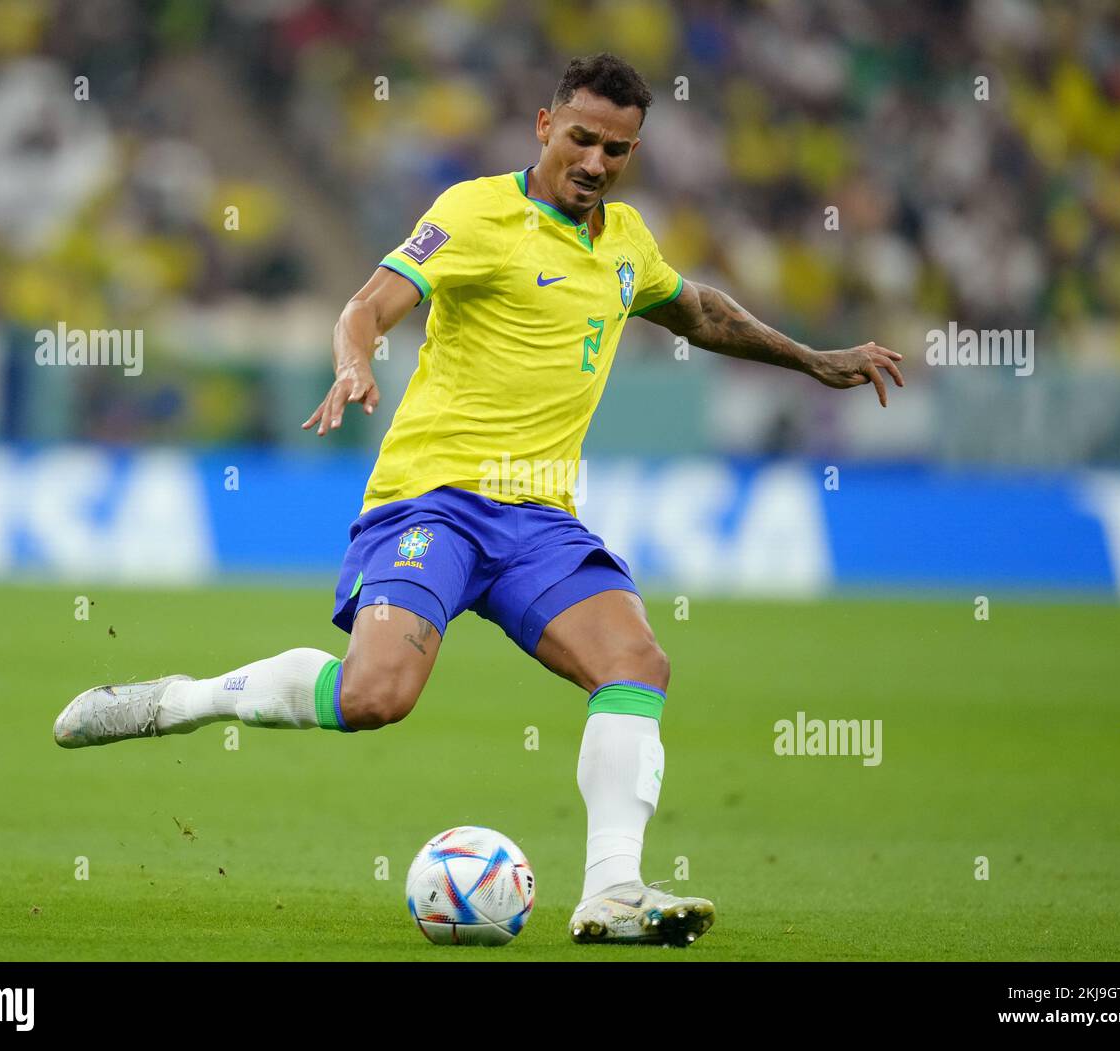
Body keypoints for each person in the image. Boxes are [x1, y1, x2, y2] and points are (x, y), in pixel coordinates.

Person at [54, 52, 903, 946]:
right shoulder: (474, 211)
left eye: (618, 149)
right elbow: (368, 305)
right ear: (545, 126)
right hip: (434, 500)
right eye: (581, 138)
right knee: (378, 694)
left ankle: (612, 891)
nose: (596, 162)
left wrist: (812, 358)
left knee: (637, 664)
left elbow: (697, 310)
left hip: (540, 520)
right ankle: (187, 698)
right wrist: (353, 358)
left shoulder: (626, 243)